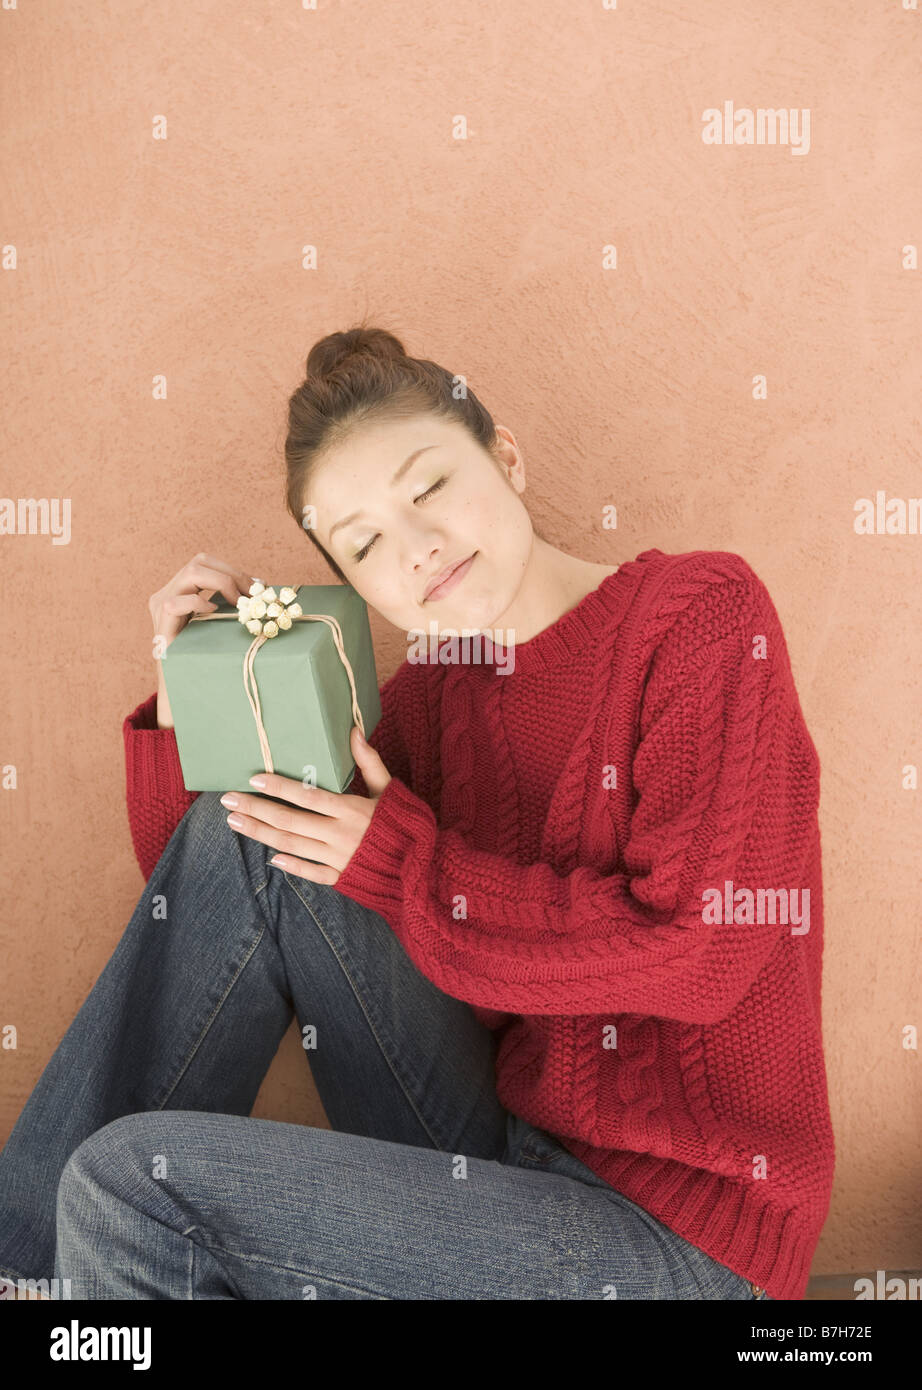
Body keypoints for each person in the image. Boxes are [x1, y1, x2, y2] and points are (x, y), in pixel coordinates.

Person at [0, 324, 833, 1300]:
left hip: (677, 1242)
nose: (417, 547)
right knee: (265, 821)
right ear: (357, 585)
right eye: (364, 544)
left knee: (129, 1189)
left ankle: (37, 1277)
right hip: (493, 1168)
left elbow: (702, 955)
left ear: (506, 457)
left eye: (428, 488)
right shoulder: (441, 691)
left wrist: (404, 867)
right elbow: (211, 902)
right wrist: (192, 691)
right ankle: (21, 1279)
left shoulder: (698, 616)